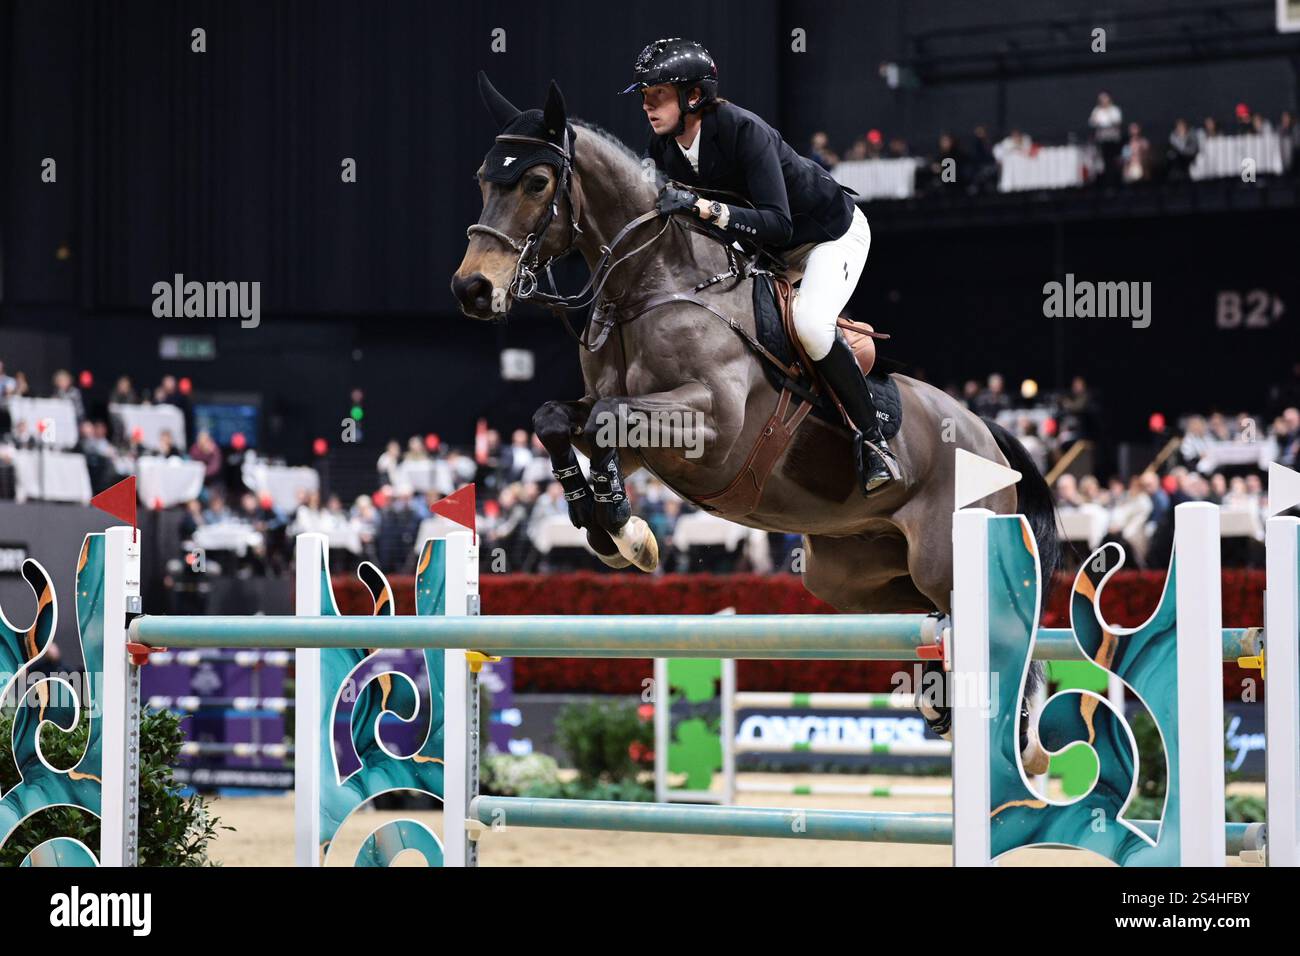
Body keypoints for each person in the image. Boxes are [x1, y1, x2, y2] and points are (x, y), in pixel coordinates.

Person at [624, 37, 898, 494]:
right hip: (767, 251)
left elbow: (777, 222)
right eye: (644, 97)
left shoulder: (742, 130)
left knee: (811, 324)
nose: (648, 106)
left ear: (693, 96)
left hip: (828, 237)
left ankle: (873, 442)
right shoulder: (664, 148)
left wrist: (703, 208)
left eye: (658, 95)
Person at [1089, 92, 1123, 186]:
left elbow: (1117, 121)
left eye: (1105, 99)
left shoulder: (1114, 110)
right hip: (1102, 140)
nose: (1103, 101)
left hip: (1113, 139)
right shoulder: (1097, 111)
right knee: (1103, 161)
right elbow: (1092, 122)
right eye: (1101, 99)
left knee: (1114, 160)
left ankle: (1116, 179)